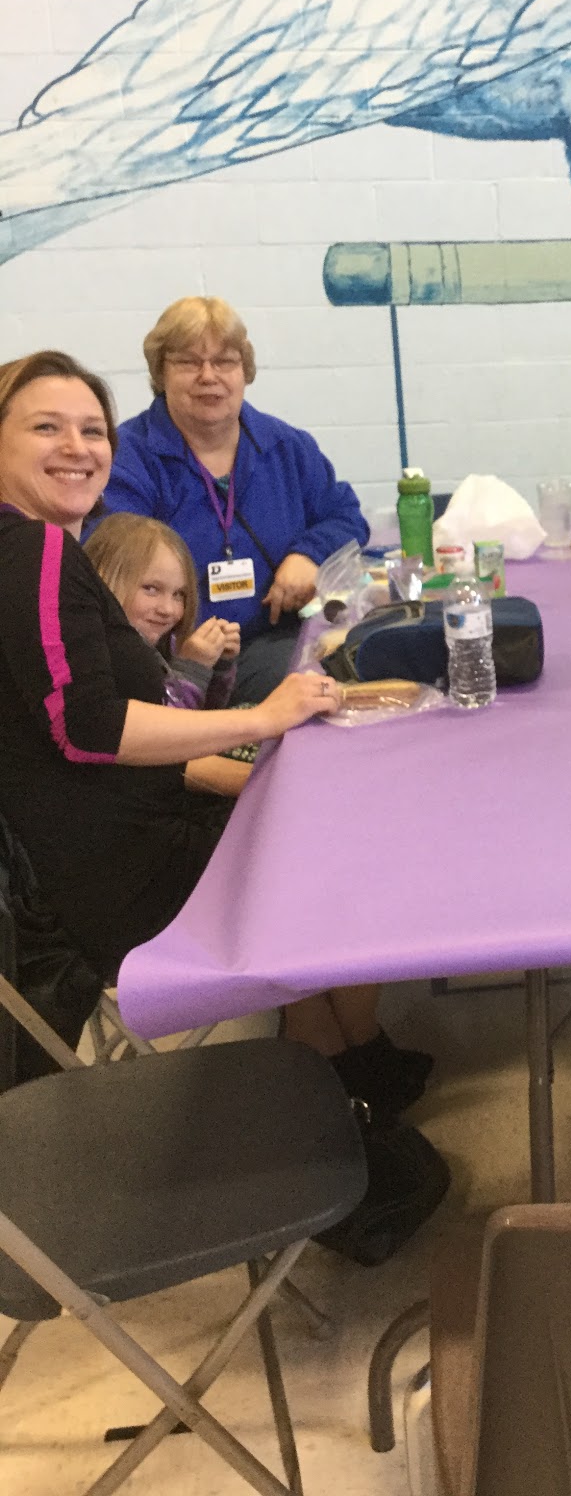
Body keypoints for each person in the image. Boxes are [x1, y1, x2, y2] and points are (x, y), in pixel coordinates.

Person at [0, 350, 429, 1119]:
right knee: (343, 846)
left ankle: (347, 1058)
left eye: (93, 430)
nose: (78, 447)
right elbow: (87, 725)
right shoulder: (32, 550)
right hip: (123, 881)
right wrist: (264, 719)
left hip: (107, 850)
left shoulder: (34, 550)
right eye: (45, 428)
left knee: (307, 821)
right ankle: (343, 1079)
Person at [103, 296, 370, 702]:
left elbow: (346, 516)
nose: (208, 376)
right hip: (173, 662)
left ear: (245, 371)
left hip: (276, 639)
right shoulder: (128, 458)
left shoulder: (287, 447)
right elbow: (114, 562)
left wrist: (308, 555)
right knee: (320, 686)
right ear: (160, 373)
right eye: (188, 362)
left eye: (225, 362)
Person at [85, 512, 255, 797]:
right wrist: (193, 669)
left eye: (179, 595)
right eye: (151, 589)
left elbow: (205, 715)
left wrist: (220, 665)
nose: (169, 609)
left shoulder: (166, 643)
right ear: (104, 579)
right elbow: (167, 739)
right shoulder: (105, 657)